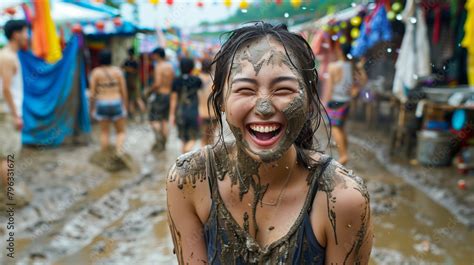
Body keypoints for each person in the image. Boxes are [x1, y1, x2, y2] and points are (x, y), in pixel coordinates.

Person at [166, 22, 373, 264]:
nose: (264, 108)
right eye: (245, 90)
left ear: (308, 99)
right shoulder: (190, 180)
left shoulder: (341, 198)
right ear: (221, 99)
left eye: (283, 89)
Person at [0, 19, 32, 208]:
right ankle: (7, 196)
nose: (27, 36)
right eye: (25, 32)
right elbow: (6, 88)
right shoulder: (7, 57)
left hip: (5, 110)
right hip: (5, 111)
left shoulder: (9, 55)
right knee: (8, 155)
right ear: (16, 34)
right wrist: (15, 115)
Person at [324, 43, 367, 165]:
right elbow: (364, 81)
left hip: (336, 101)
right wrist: (356, 90)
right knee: (341, 128)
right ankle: (344, 153)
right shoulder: (353, 66)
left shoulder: (333, 67)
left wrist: (325, 103)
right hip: (347, 102)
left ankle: (343, 156)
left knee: (335, 128)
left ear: (339, 51)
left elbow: (329, 87)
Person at [89, 50, 128, 155]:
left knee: (104, 132)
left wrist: (91, 109)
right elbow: (124, 91)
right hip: (116, 102)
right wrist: (125, 106)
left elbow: (92, 94)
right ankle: (119, 153)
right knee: (120, 132)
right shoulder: (118, 72)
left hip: (102, 103)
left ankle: (105, 156)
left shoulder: (95, 72)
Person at [169, 58, 202, 153]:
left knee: (183, 139)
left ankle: (183, 161)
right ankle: (187, 154)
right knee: (193, 138)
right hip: (193, 112)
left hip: (180, 113)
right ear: (192, 68)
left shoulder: (176, 81)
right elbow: (201, 97)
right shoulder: (197, 80)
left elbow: (173, 100)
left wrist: (171, 115)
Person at [148, 47, 174, 151]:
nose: (152, 57)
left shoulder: (158, 66)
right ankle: (164, 142)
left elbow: (157, 83)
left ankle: (159, 139)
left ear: (157, 55)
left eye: (153, 55)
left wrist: (149, 91)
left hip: (160, 95)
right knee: (164, 120)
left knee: (153, 119)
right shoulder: (170, 66)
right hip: (169, 95)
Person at [122, 47, 145, 121]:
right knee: (132, 100)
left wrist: (127, 69)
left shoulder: (133, 62)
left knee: (135, 99)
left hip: (133, 82)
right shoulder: (130, 61)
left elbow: (134, 70)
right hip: (132, 82)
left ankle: (140, 114)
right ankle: (133, 115)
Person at [198, 59, 217, 146]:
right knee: (212, 138)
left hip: (200, 113)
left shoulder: (197, 79)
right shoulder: (215, 79)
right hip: (214, 113)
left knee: (202, 139)